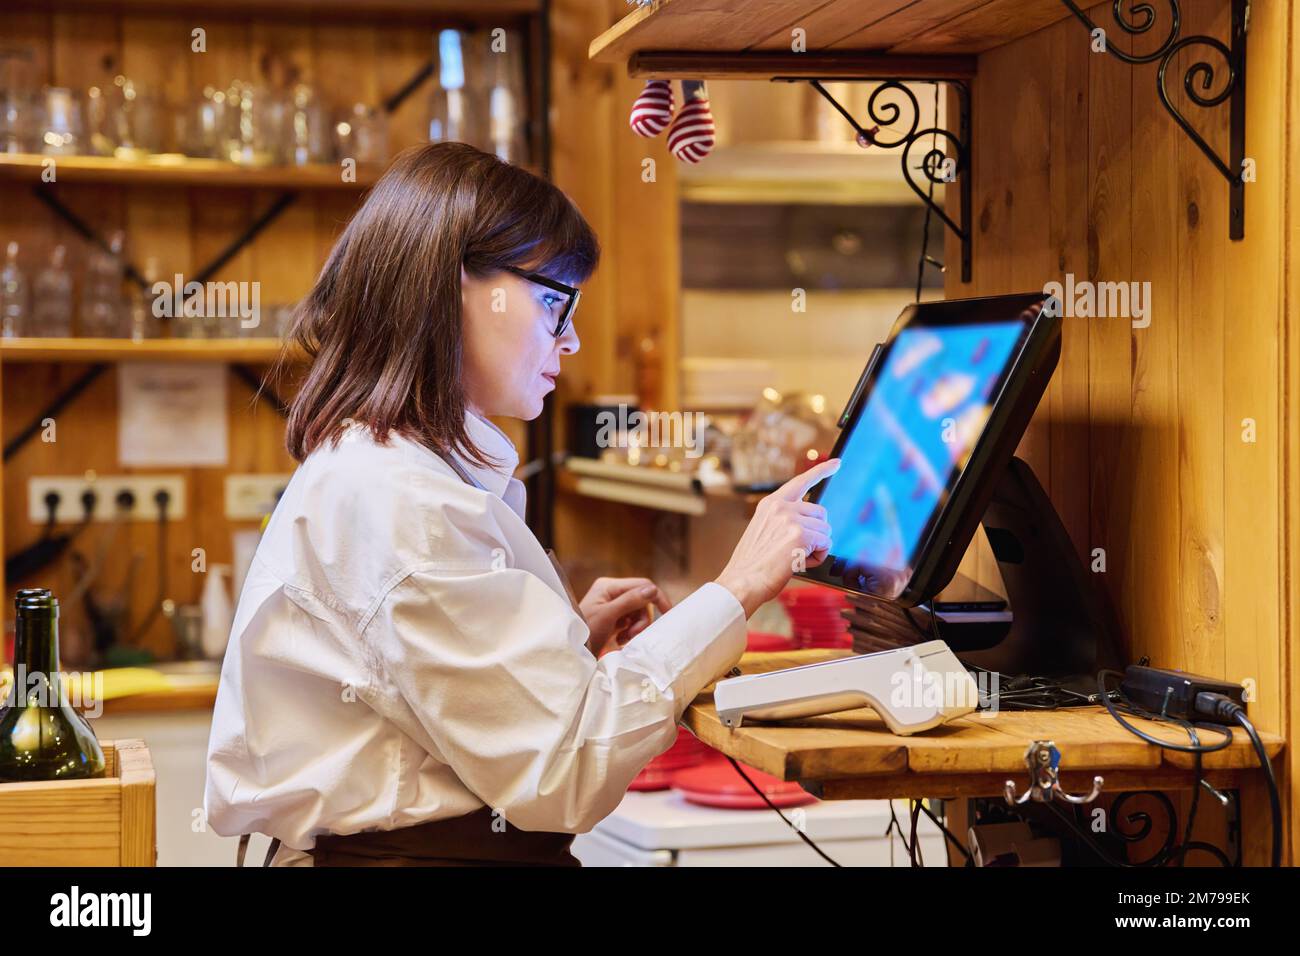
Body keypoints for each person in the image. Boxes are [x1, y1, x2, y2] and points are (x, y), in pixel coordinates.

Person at [204, 142, 838, 866]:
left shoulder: (390, 469)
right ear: (449, 287)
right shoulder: (401, 497)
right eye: (553, 302)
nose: (569, 340)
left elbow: (432, 701)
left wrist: (558, 642)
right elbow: (568, 765)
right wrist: (739, 587)